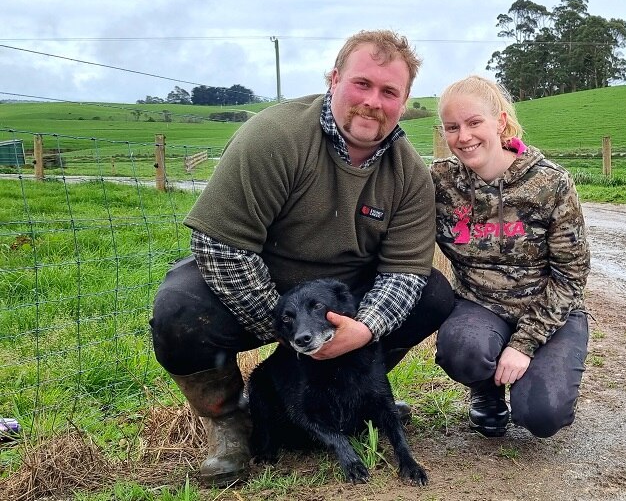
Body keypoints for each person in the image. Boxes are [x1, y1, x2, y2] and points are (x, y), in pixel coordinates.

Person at [149, 30, 454, 485]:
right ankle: (230, 422)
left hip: (341, 300)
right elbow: (220, 246)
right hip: (259, 290)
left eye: (389, 91)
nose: (373, 101)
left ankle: (351, 397)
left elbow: (404, 274)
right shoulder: (275, 136)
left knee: (433, 293)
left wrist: (361, 328)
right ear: (334, 79)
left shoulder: (409, 173)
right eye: (362, 84)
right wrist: (287, 326)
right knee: (178, 310)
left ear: (405, 101)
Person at [431, 75, 590, 438]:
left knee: (542, 414)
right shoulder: (440, 183)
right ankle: (486, 395)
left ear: (500, 122)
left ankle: (534, 383)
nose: (464, 137)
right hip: (479, 305)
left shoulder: (551, 184)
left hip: (550, 311)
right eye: (452, 127)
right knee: (463, 348)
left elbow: (572, 274)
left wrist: (524, 344)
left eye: (474, 123)